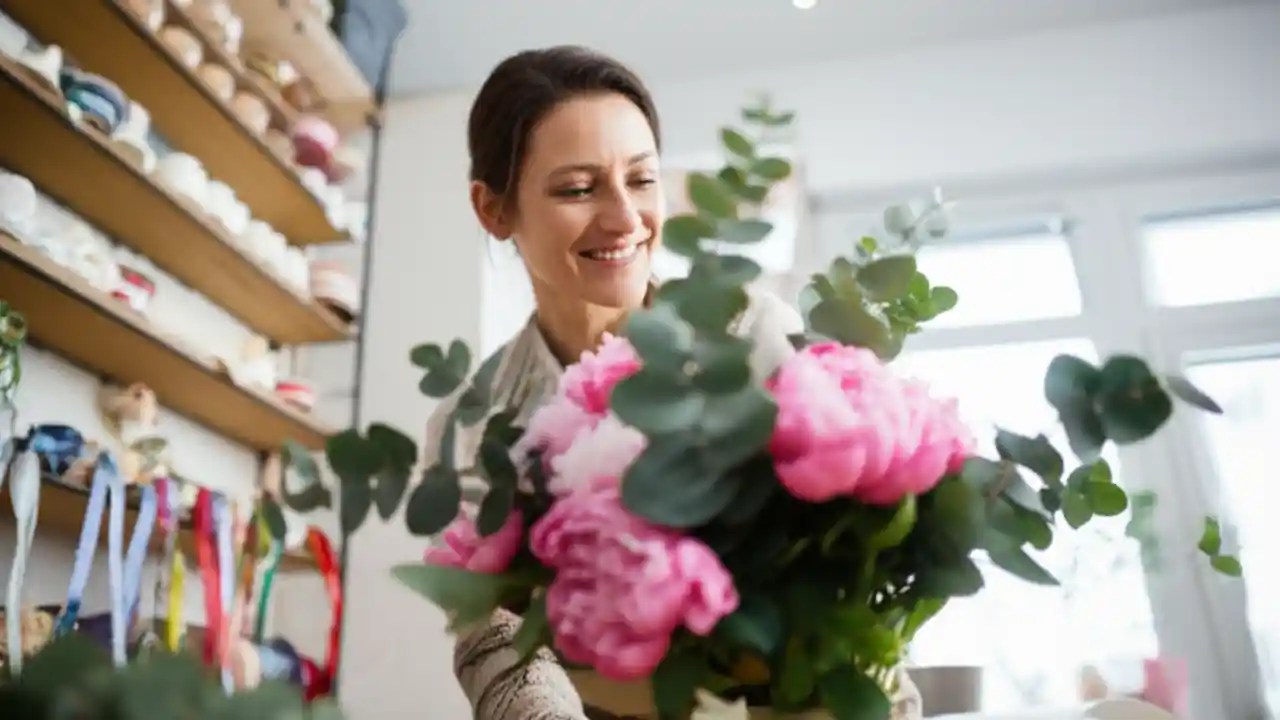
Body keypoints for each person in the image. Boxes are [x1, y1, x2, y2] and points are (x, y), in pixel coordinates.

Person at [425, 45, 923, 720]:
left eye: (641, 179)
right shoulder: (474, 426)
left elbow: (848, 583)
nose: (625, 218)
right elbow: (494, 641)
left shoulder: (748, 339)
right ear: (493, 209)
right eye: (578, 188)